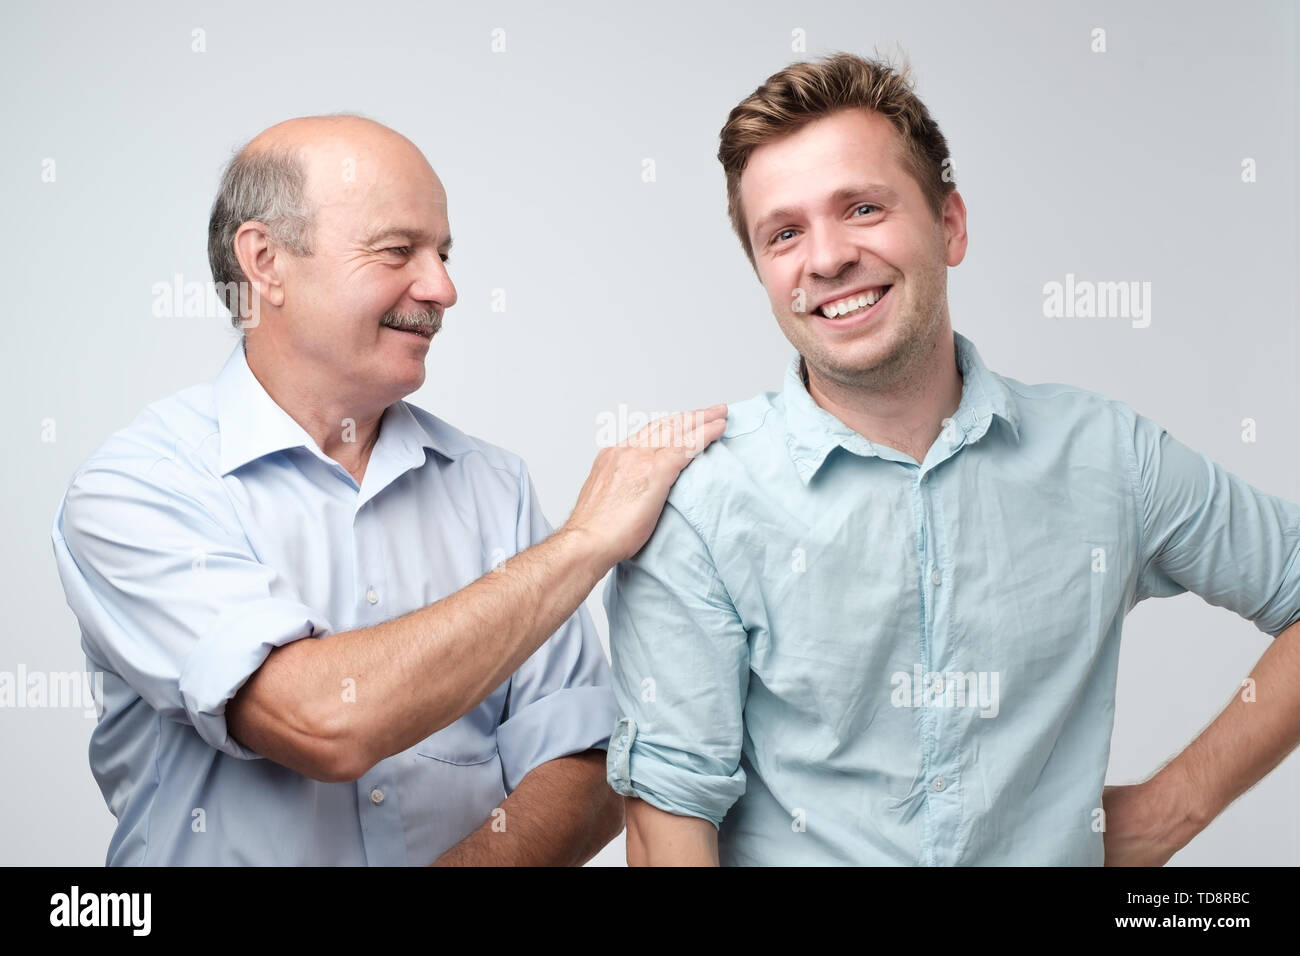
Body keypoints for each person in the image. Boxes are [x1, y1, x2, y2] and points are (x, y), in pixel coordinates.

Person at [604, 53, 1300, 866]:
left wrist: (1172, 810)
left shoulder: (1107, 456)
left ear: (951, 225)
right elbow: (669, 822)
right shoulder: (700, 502)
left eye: (861, 207)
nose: (826, 259)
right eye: (784, 233)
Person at [50, 114, 726, 865]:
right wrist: (582, 545)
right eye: (398, 250)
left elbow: (584, 760)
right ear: (266, 261)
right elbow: (320, 722)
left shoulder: (491, 485)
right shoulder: (137, 488)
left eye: (442, 253)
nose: (443, 288)